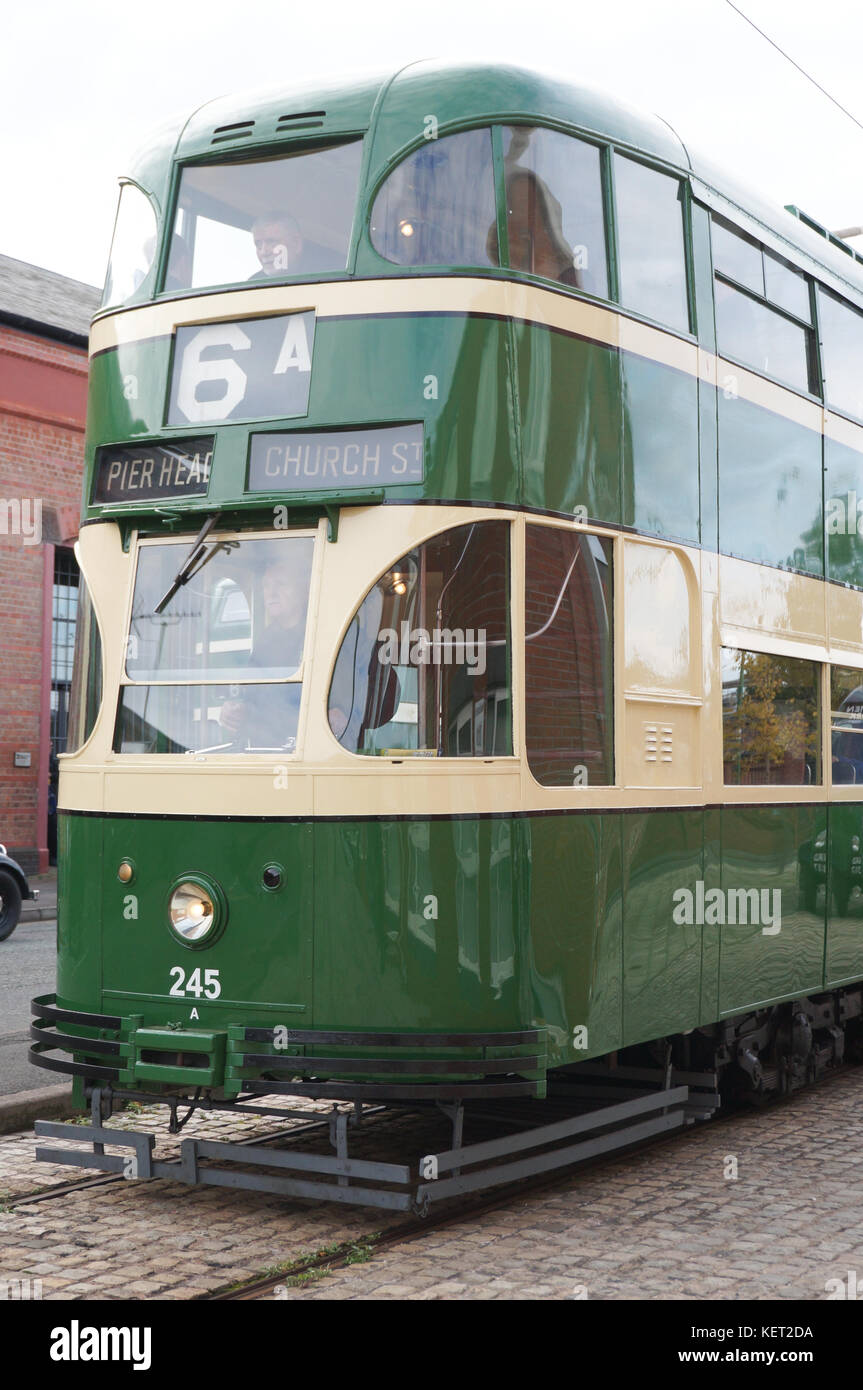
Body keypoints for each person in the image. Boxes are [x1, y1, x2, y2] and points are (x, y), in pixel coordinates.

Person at [219, 557, 307, 747]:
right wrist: (234, 708)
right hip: (268, 747)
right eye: (266, 586)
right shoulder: (266, 640)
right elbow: (248, 691)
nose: (271, 593)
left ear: (302, 590)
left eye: (280, 584)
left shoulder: (317, 633)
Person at [497, 168, 583, 288]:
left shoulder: (560, 256)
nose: (522, 208)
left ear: (540, 205)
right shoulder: (501, 239)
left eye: (526, 200)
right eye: (515, 202)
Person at [250, 212, 304, 278]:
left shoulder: (317, 277)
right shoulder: (254, 283)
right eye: (258, 245)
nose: (263, 252)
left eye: (271, 242)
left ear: (296, 243)